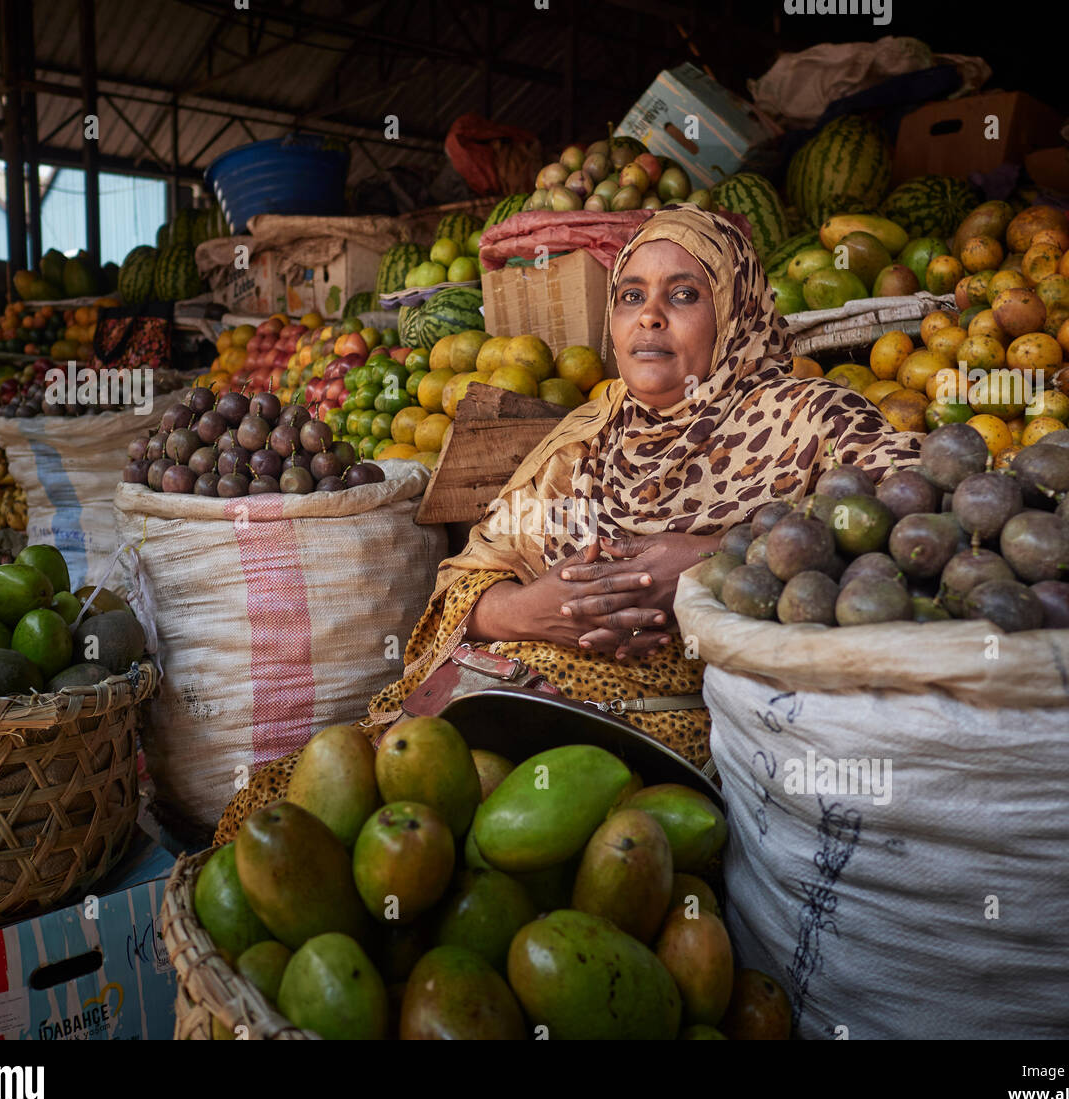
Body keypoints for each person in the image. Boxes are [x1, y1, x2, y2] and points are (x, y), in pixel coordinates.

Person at [215, 204, 920, 843]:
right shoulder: (587, 434)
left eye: (683, 294)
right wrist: (530, 609)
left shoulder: (814, 418)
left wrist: (719, 560)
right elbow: (470, 580)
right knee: (300, 825)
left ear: (736, 309)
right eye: (631, 295)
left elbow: (911, 527)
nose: (649, 316)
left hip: (663, 746)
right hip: (497, 707)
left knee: (476, 845)